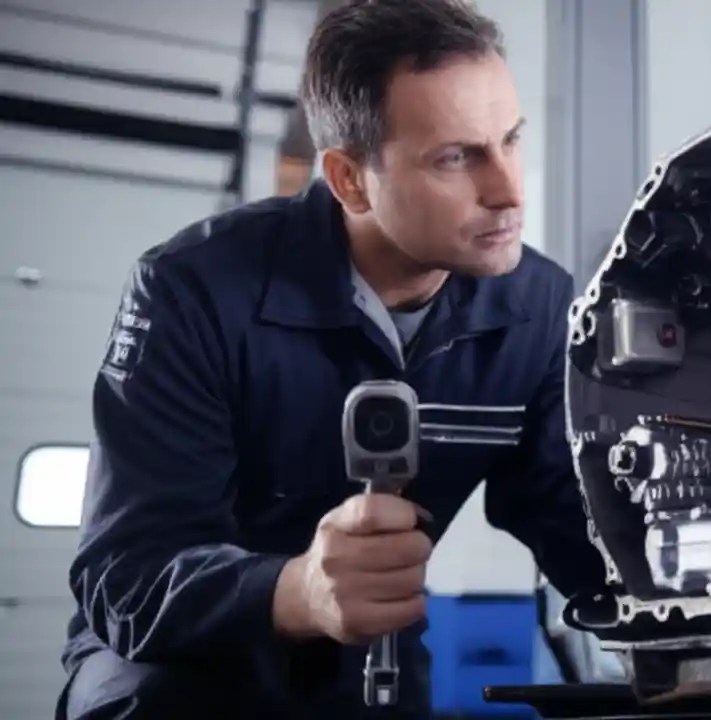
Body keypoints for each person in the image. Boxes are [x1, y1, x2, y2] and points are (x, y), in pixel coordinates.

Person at [57, 1, 606, 717]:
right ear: (349, 180)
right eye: (455, 157)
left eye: (509, 140)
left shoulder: (537, 308)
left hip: (370, 659)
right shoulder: (193, 290)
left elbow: (580, 530)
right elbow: (123, 577)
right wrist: (299, 590)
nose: (508, 191)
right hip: (167, 665)